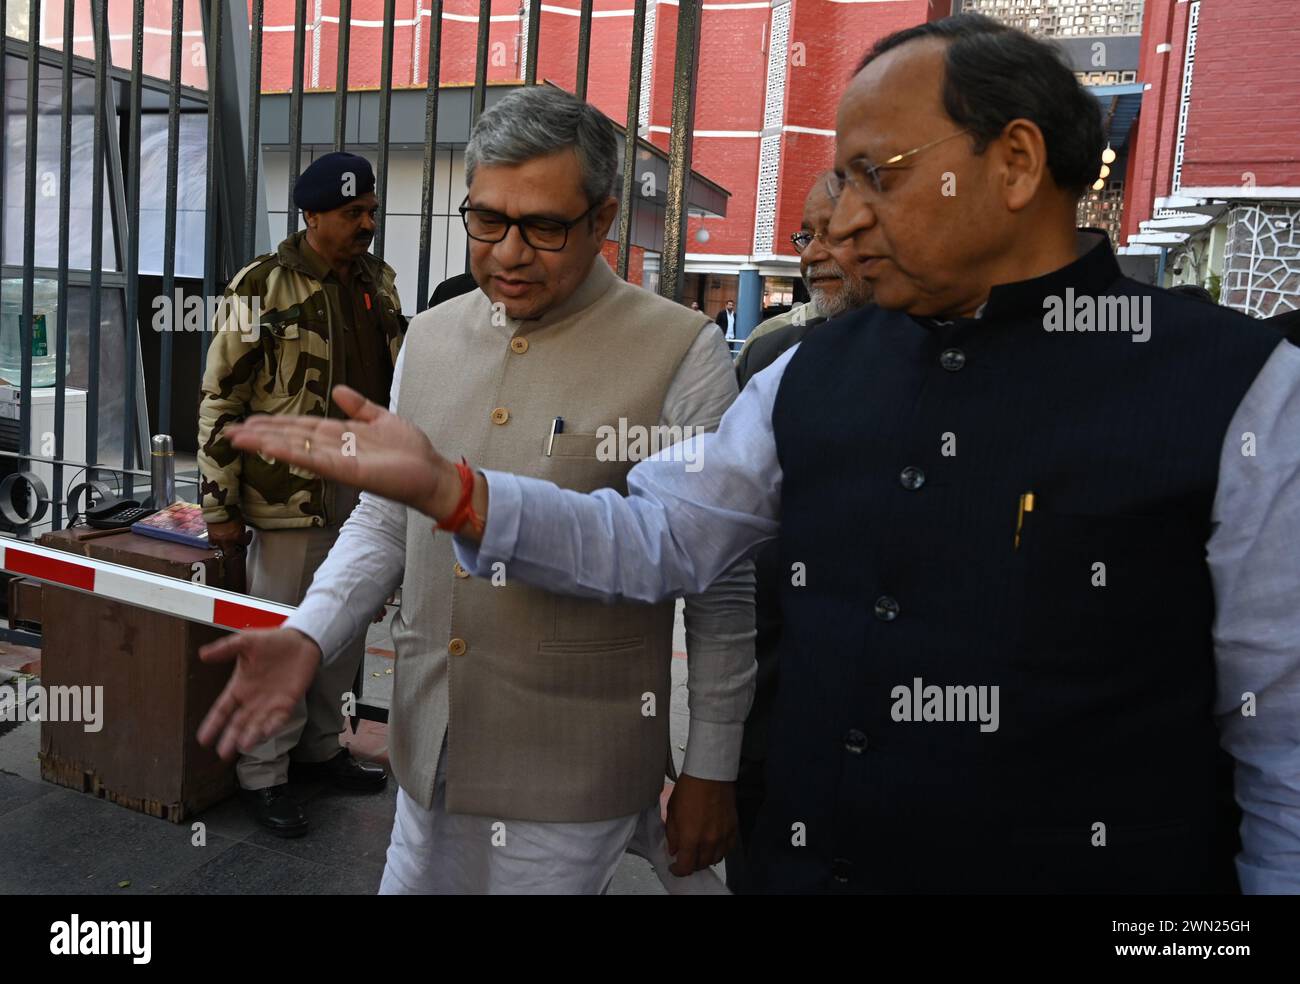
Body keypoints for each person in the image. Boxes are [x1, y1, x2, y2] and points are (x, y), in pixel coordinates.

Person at [201, 15, 1300, 894]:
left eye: (875, 172)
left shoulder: (1238, 390)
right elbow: (664, 538)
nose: (834, 211)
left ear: (1013, 163)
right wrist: (452, 494)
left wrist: (706, 769)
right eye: (484, 222)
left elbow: (1282, 738)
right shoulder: (809, 374)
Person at [199, 86, 754, 894]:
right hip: (430, 749)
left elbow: (722, 585)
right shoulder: (428, 336)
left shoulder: (682, 353)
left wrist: (711, 767)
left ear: (604, 220)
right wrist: (308, 633)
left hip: (572, 770)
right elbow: (388, 521)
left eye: (544, 226)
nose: (508, 253)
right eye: (486, 220)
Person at [196, 151, 402, 837]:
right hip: (288, 490)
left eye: (371, 211)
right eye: (352, 214)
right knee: (278, 630)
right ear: (312, 216)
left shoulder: (380, 281)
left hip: (363, 483)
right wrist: (219, 507)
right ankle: (264, 772)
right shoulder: (263, 286)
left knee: (341, 628)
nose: (367, 224)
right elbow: (220, 397)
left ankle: (319, 749)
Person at [726, 173, 872, 892]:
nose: (811, 254)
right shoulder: (769, 353)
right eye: (803, 235)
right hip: (773, 690)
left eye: (831, 234)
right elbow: (705, 519)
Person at [734, 175, 873, 384]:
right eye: (806, 237)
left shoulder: (932, 352)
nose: (809, 254)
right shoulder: (764, 350)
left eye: (836, 234)